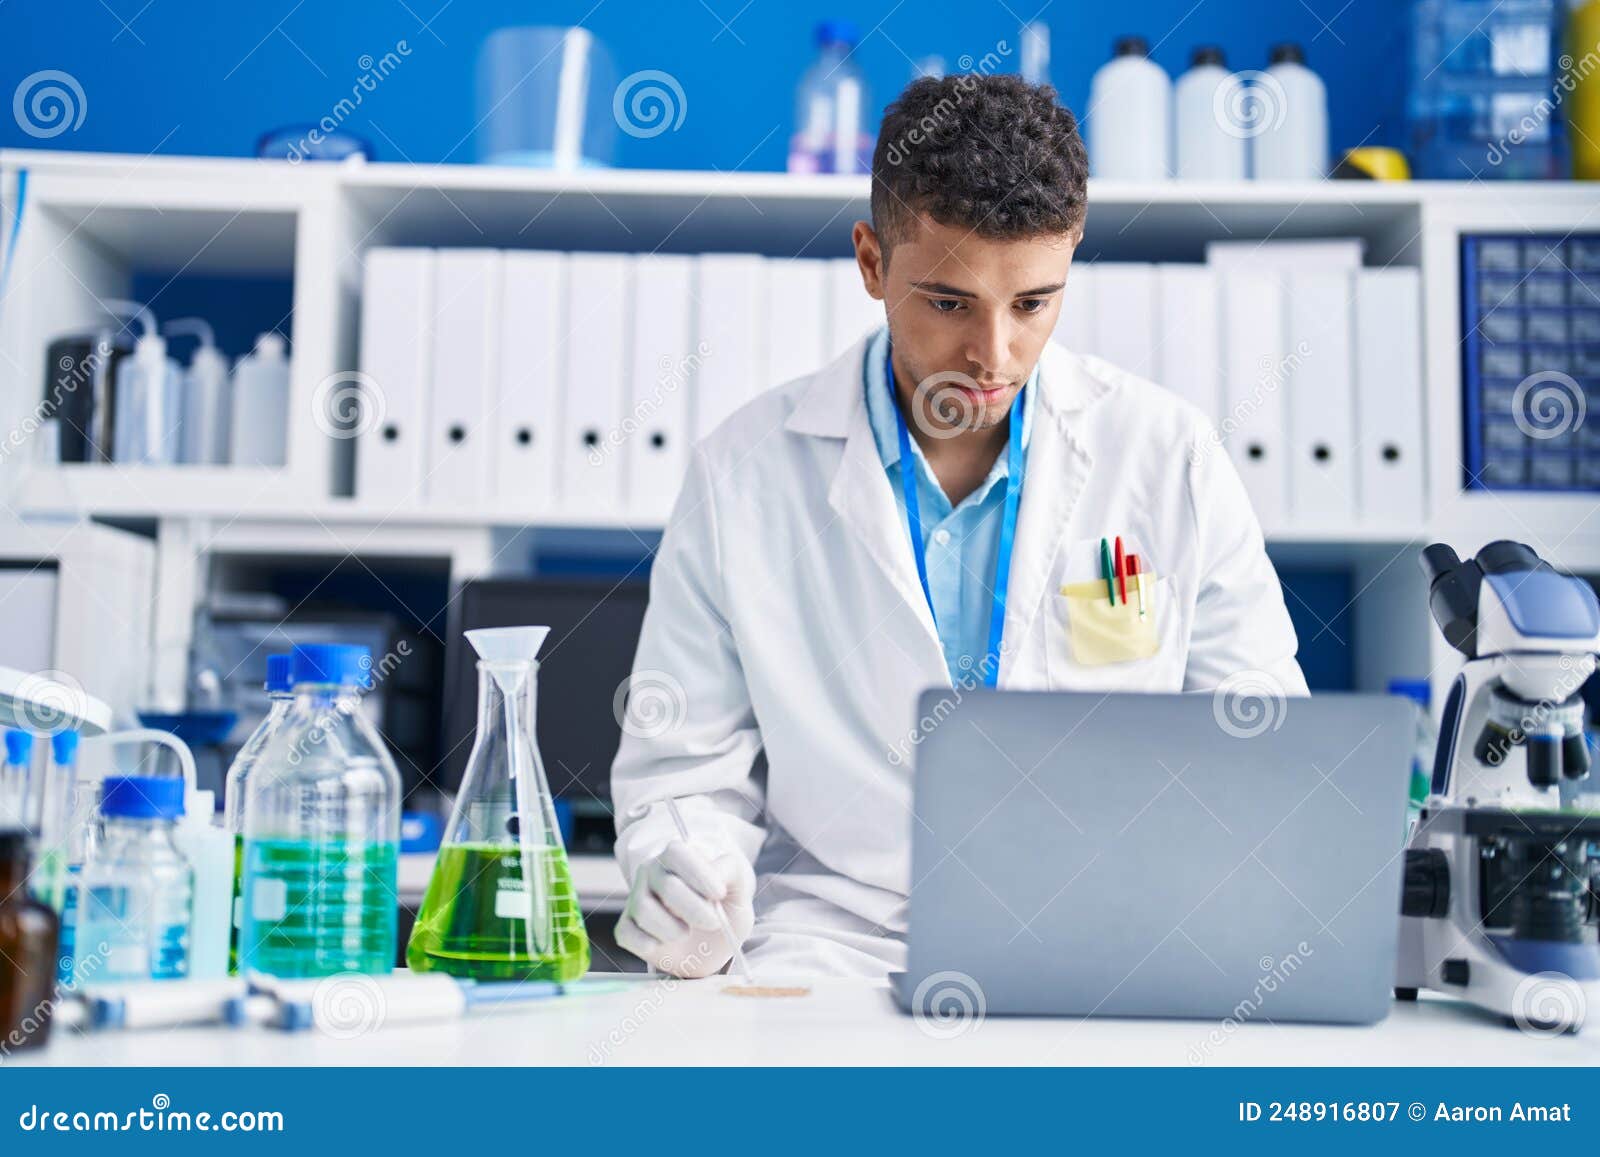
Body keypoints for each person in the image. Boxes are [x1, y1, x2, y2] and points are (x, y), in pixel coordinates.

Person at [611, 74, 1308, 979]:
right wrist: (687, 877)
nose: (994, 354)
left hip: (1107, 944)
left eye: (1032, 304)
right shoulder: (743, 474)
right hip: (836, 945)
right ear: (871, 262)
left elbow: (1261, 737)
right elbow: (685, 769)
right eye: (949, 302)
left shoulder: (1167, 457)